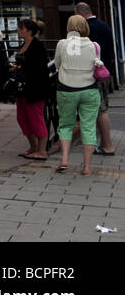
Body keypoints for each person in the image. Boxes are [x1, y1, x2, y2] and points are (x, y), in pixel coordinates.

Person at [54, 15, 101, 176]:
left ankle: (65, 160)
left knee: (66, 125)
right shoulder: (94, 46)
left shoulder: (62, 44)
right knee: (88, 127)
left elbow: (57, 64)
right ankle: (87, 167)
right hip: (89, 89)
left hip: (66, 89)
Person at [75, 2, 115, 155]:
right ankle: (104, 143)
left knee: (100, 110)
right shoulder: (104, 25)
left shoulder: (88, 29)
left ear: (80, 13)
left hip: (94, 75)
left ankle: (108, 145)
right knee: (101, 109)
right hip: (105, 72)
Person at [10, 19, 49, 160]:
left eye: (21, 28)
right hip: (22, 88)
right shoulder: (24, 44)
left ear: (28, 30)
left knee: (36, 118)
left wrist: (21, 68)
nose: (18, 30)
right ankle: (33, 147)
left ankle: (42, 150)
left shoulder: (37, 46)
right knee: (22, 118)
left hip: (35, 88)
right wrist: (16, 67)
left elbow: (38, 67)